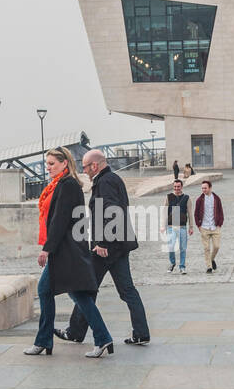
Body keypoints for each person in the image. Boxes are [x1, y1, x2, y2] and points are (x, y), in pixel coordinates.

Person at [54, 148, 151, 346]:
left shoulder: (105, 182)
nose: (85, 172)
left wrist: (102, 243)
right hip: (119, 246)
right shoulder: (113, 179)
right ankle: (141, 332)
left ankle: (75, 331)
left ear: (95, 165)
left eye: (86, 168)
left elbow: (111, 212)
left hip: (107, 248)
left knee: (86, 288)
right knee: (127, 291)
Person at [25, 147, 114, 358]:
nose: (48, 168)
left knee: (76, 295)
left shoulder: (68, 186)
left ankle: (100, 338)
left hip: (68, 252)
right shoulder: (60, 185)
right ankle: (45, 341)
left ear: (65, 163)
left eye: (52, 164)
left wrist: (46, 249)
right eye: (46, 164)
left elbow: (60, 220)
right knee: (56, 292)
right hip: (65, 251)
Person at [163, 179, 194, 273]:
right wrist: (163, 226)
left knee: (183, 248)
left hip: (182, 227)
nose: (176, 188)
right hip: (171, 227)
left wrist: (191, 227)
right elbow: (164, 212)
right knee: (171, 246)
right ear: (173, 187)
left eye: (178, 186)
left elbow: (190, 213)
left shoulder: (186, 198)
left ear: (181, 187)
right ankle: (172, 263)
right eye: (175, 186)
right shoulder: (168, 197)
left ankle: (182, 266)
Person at [195, 179, 224, 273]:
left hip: (215, 227)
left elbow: (220, 211)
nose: (203, 190)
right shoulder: (199, 200)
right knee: (206, 248)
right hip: (204, 227)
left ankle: (211, 259)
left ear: (210, 188)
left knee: (216, 246)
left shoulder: (216, 198)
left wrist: (220, 224)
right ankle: (209, 267)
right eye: (202, 188)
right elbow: (195, 213)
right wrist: (198, 226)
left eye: (205, 188)